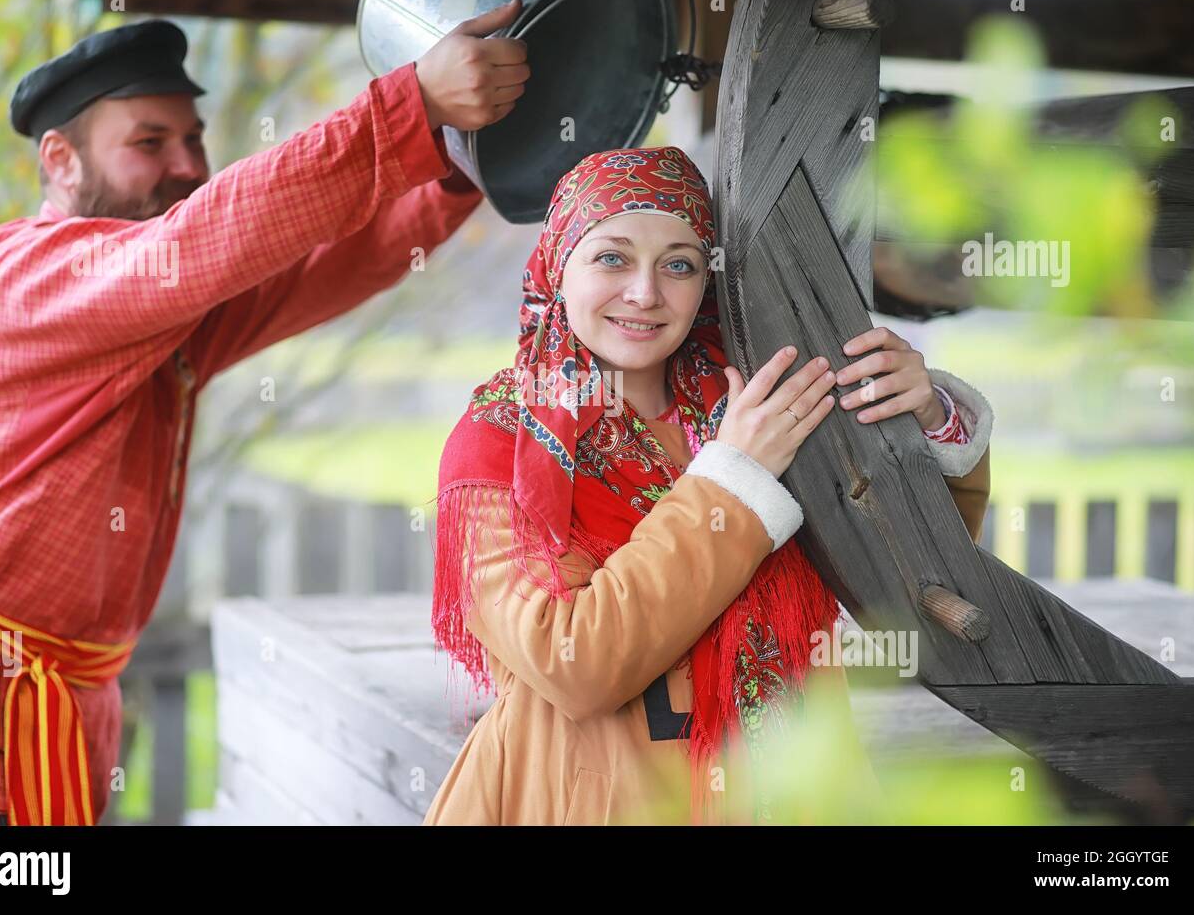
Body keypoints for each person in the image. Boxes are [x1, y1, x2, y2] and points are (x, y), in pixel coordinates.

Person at [0, 2, 529, 825]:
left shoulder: (161, 313)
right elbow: (197, 243)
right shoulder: (12, 277)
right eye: (149, 142)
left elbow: (337, 260)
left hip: (65, 716)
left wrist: (456, 157)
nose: (185, 164)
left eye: (194, 138)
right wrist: (408, 103)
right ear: (59, 161)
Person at [425, 145, 993, 825]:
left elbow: (917, 582)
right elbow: (573, 662)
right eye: (611, 257)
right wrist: (735, 482)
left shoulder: (764, 402)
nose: (645, 292)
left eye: (680, 264)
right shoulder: (500, 440)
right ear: (556, 262)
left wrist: (927, 421)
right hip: (586, 803)